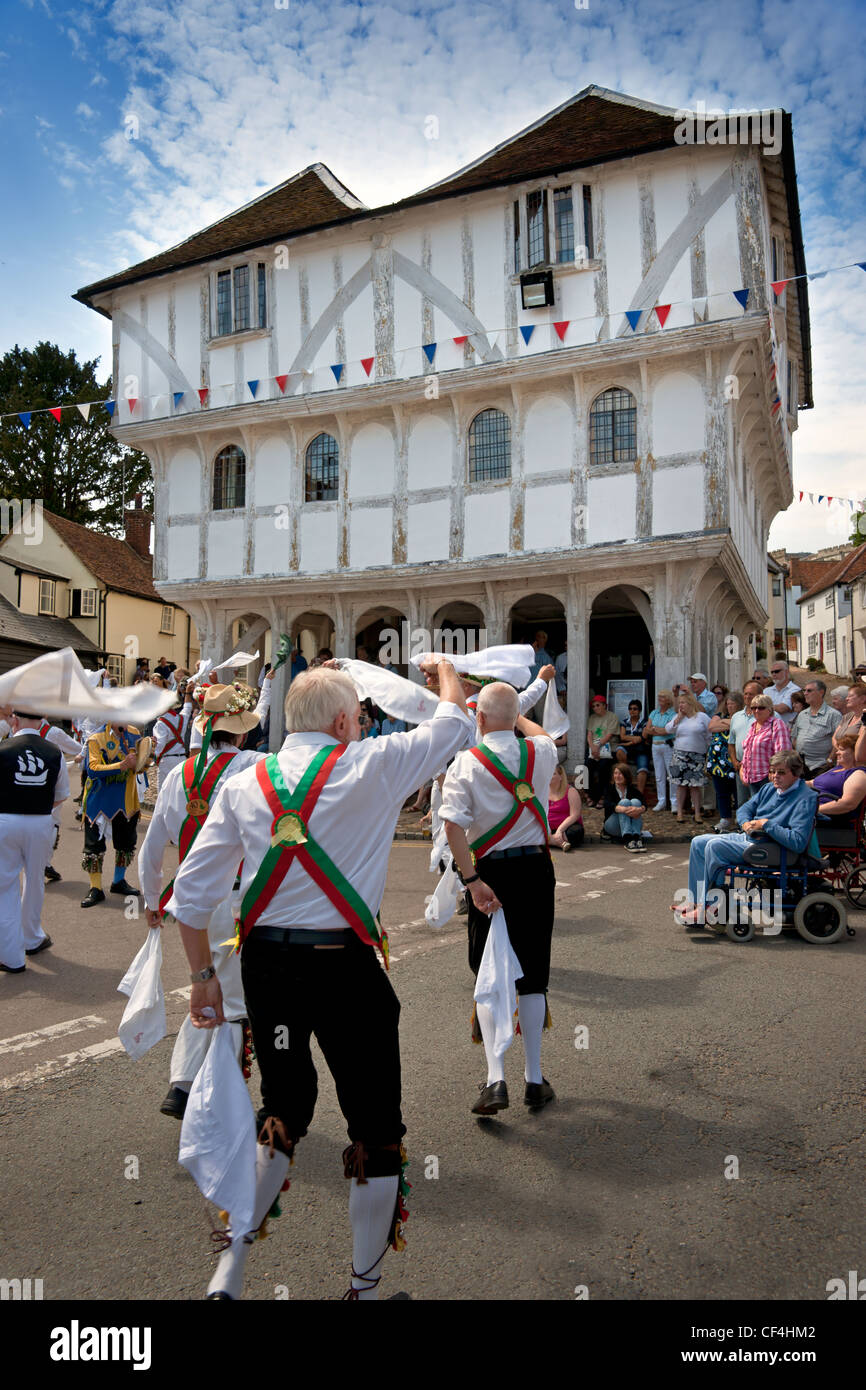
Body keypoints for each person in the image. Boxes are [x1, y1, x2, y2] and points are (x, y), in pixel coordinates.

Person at [165, 661, 471, 1301]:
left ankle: (233, 1264)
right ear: (341, 721)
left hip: (267, 968)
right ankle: (362, 1289)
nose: (360, 727)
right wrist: (445, 672)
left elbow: (190, 898)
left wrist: (202, 980)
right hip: (343, 967)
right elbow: (453, 724)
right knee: (374, 1124)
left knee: (283, 1106)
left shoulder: (246, 781)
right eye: (358, 718)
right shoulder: (374, 765)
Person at [140, 681, 265, 1120]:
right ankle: (203, 1091)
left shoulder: (178, 774)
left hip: (193, 904)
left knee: (208, 982)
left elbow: (153, 845)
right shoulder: (259, 767)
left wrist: (153, 899)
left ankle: (185, 1084)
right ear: (243, 732)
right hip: (240, 899)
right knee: (232, 998)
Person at [440, 682, 558, 1116]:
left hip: (489, 873)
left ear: (479, 719)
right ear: (513, 719)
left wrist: (471, 881)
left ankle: (495, 1079)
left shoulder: (466, 764)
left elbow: (452, 826)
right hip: (535, 870)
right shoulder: (541, 752)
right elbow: (542, 733)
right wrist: (515, 712)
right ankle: (533, 1077)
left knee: (490, 971)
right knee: (532, 973)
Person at [674, 749, 817, 926]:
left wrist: (767, 824)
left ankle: (710, 906)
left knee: (714, 845)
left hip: (775, 848)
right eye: (772, 771)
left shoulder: (805, 798)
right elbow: (744, 809)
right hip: (753, 838)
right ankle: (695, 901)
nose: (774, 776)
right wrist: (745, 823)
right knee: (698, 842)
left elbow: (797, 842)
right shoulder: (769, 788)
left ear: (796, 774)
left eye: (781, 772)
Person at [0, 711, 70, 971]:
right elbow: (61, 794)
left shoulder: (2, 748)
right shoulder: (53, 751)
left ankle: (11, 956)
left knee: (5, 886)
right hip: (40, 821)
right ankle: (31, 937)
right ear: (41, 721)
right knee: (34, 879)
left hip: (5, 820)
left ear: (15, 720)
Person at [80, 721, 144, 907]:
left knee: (126, 842)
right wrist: (122, 765)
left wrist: (147, 755)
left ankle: (118, 881)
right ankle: (96, 888)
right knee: (94, 846)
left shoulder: (135, 734)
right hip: (99, 799)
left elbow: (141, 766)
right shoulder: (96, 738)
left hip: (126, 798)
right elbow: (92, 769)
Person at [668, 691, 711, 825]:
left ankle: (698, 813)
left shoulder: (701, 717)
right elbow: (668, 729)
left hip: (696, 755)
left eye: (683, 702)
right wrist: (678, 719)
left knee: (695, 785)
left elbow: (709, 733)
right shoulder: (678, 717)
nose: (680, 705)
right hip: (680, 753)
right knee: (681, 784)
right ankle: (680, 812)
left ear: (690, 704)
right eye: (679, 702)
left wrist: (707, 751)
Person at [807, 733, 866, 825]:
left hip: (827, 820)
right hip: (809, 810)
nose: (836, 753)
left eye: (841, 750)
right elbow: (812, 783)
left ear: (855, 752)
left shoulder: (858, 775)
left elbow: (847, 804)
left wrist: (814, 810)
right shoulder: (837, 769)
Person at [739, 693, 792, 797]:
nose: (756, 711)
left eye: (761, 708)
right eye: (753, 708)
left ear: (769, 709)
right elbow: (748, 751)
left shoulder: (777, 724)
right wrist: (742, 769)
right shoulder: (753, 726)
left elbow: (783, 753)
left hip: (768, 778)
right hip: (752, 778)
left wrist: (774, 773)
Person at [706, 691, 743, 832]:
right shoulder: (719, 715)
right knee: (721, 791)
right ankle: (725, 818)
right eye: (728, 703)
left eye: (732, 703)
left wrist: (726, 723)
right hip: (717, 761)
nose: (729, 706)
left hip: (733, 760)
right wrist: (727, 723)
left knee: (737, 791)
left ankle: (740, 818)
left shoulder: (742, 717)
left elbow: (735, 727)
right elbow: (711, 727)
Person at [790, 678, 842, 777]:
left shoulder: (833, 715)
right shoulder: (802, 714)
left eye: (809, 690)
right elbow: (795, 737)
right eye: (804, 690)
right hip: (801, 767)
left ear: (821, 692)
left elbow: (840, 741)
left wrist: (830, 761)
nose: (805, 693)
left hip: (821, 767)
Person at [727, 680, 762, 808]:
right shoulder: (736, 717)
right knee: (741, 802)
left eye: (751, 694)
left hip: (760, 768)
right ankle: (742, 826)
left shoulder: (767, 716)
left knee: (758, 802)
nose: (747, 697)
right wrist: (734, 761)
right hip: (741, 766)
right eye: (745, 694)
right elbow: (731, 742)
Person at [600, 763, 646, 851]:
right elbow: (607, 804)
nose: (617, 776)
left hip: (631, 825)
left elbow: (644, 803)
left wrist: (639, 810)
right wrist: (621, 808)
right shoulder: (609, 789)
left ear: (626, 776)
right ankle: (628, 840)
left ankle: (636, 838)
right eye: (615, 773)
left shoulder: (632, 790)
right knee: (624, 802)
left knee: (636, 802)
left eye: (620, 773)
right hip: (613, 826)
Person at [152, 692, 192, 792]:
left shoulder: (160, 723)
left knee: (164, 793)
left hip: (167, 761)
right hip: (182, 759)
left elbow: (159, 746)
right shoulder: (182, 718)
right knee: (179, 792)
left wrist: (150, 760)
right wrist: (187, 693)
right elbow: (187, 708)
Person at [585, 695, 620, 806]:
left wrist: (598, 746)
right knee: (586, 767)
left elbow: (609, 735)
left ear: (604, 705)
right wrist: (592, 747)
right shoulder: (592, 718)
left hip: (608, 748)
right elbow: (589, 734)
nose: (595, 708)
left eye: (598, 705)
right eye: (593, 706)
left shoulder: (612, 717)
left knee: (603, 768)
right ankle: (590, 795)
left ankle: (602, 796)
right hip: (594, 749)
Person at [644, 689, 676, 811]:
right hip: (655, 745)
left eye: (662, 697)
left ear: (668, 700)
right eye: (659, 697)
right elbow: (647, 730)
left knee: (671, 773)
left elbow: (667, 731)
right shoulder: (654, 713)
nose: (660, 699)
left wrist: (655, 729)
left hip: (667, 745)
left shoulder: (672, 714)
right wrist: (658, 729)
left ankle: (674, 802)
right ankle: (661, 800)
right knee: (659, 775)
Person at [547, 764, 584, 850]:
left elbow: (574, 815)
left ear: (561, 777)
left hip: (566, 827)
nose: (549, 776)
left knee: (575, 833)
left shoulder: (571, 791)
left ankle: (549, 840)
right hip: (548, 827)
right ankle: (558, 842)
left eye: (553, 773)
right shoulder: (543, 791)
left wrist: (560, 830)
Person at [617, 699, 649, 795]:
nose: (632, 711)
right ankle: (626, 776)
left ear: (639, 710)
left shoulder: (645, 722)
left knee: (642, 769)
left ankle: (639, 796)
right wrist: (635, 739)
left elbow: (643, 737)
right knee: (619, 751)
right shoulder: (624, 722)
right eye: (630, 709)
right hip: (628, 749)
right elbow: (622, 736)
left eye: (635, 709)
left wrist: (628, 742)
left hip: (641, 749)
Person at [831, 682, 866, 750]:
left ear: (862, 699)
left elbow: (860, 743)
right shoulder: (847, 716)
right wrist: (840, 750)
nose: (847, 699)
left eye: (850, 696)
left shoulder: (865, 719)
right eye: (847, 696)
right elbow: (834, 737)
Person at [767, 660, 802, 725]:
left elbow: (782, 709)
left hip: (788, 731)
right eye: (772, 672)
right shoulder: (766, 691)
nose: (774, 674)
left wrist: (764, 707)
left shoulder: (795, 690)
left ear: (786, 672)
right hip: (768, 730)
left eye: (777, 671)